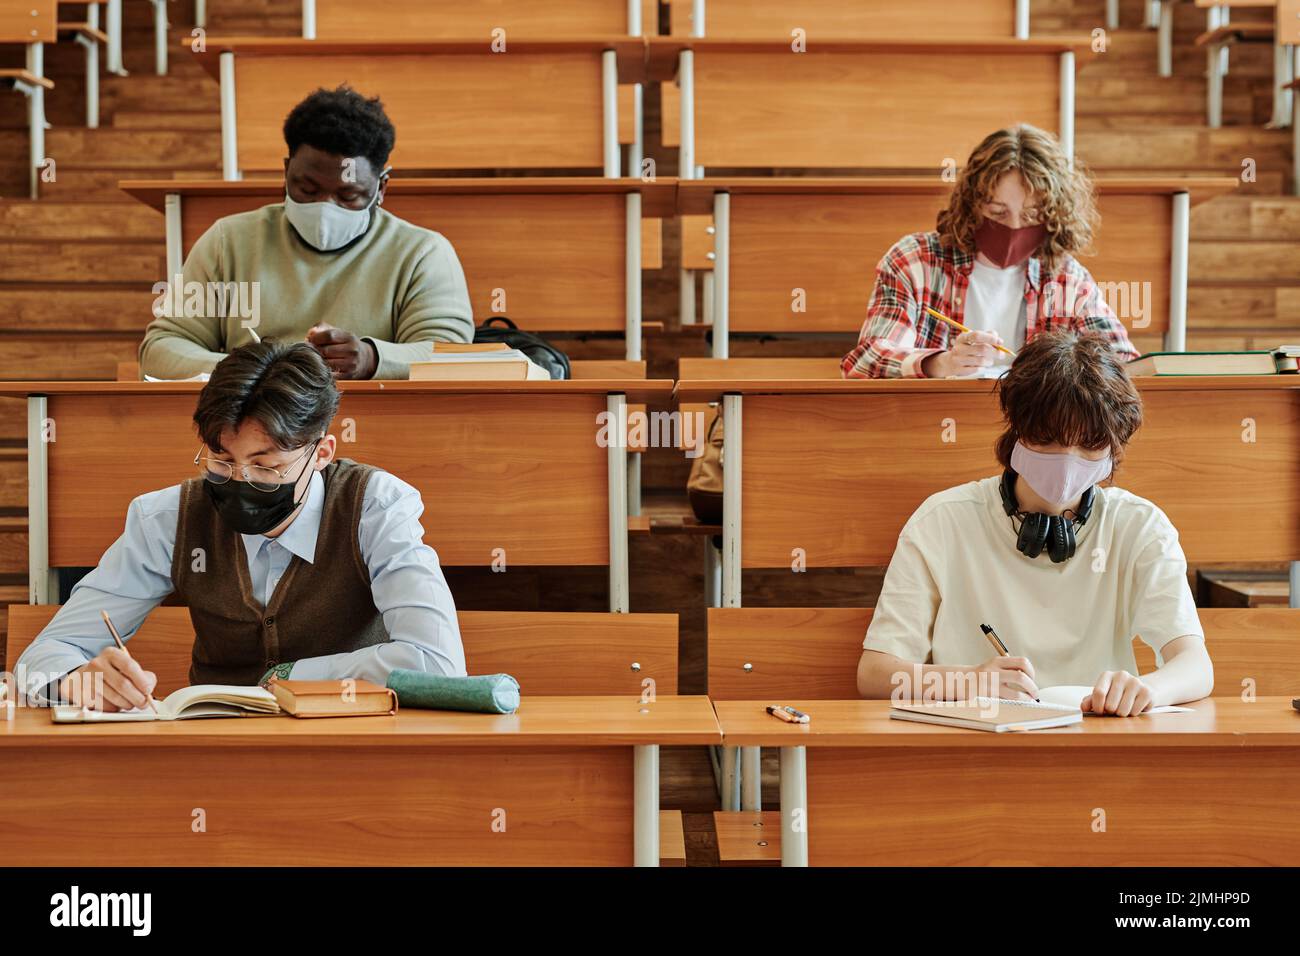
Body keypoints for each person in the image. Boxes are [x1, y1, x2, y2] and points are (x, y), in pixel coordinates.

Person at [19, 340, 466, 711]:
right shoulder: (166, 518)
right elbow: (37, 662)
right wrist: (74, 680)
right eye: (221, 460)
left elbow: (437, 662)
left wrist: (291, 676)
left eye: (264, 465)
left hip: (351, 736)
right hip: (214, 748)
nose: (238, 481)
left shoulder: (375, 506)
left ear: (323, 453)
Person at [855, 331, 1212, 716]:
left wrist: (1149, 689)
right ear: (1017, 431)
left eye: (1090, 444)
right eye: (1049, 440)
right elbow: (875, 674)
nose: (1068, 459)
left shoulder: (1140, 526)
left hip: (1098, 741)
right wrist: (967, 682)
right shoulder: (942, 520)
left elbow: (1195, 666)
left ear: (1114, 448)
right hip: (973, 743)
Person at [140, 85, 474, 381]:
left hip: (380, 425)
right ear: (286, 172)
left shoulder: (422, 254)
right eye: (307, 189)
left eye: (348, 195)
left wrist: (372, 359)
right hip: (251, 436)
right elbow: (161, 351)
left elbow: (451, 359)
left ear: (381, 188)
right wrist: (255, 374)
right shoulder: (229, 242)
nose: (324, 209)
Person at [842, 124, 1139, 380]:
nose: (1013, 227)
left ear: (1053, 216)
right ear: (972, 204)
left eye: (1031, 216)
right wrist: (940, 363)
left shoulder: (1065, 276)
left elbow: (1122, 362)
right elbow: (867, 359)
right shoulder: (915, 261)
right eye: (998, 213)